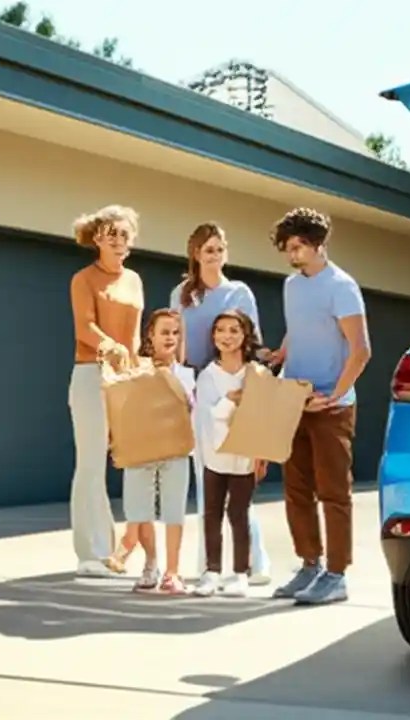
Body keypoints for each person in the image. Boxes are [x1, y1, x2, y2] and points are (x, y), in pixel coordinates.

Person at [267, 208, 371, 606]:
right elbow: (299, 325)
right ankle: (309, 564)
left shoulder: (341, 286)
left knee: (333, 491)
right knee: (295, 490)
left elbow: (361, 350)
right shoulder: (292, 285)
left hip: (332, 405)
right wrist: (282, 352)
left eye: (299, 247)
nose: (293, 255)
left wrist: (336, 393)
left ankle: (336, 574)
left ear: (319, 243)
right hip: (294, 398)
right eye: (288, 248)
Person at [170, 222, 272, 584]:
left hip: (236, 385)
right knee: (208, 479)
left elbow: (253, 342)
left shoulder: (239, 292)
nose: (214, 255)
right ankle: (208, 565)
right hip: (200, 388)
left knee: (241, 477)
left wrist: (254, 390)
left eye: (219, 249)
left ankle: (255, 563)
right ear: (196, 254)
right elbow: (177, 345)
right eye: (207, 249)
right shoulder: (182, 294)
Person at [67, 204, 144, 577]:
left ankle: (113, 551)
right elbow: (84, 328)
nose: (118, 240)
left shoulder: (134, 280)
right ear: (96, 238)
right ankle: (89, 554)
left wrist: (140, 369)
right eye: (111, 234)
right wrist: (109, 348)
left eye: (124, 234)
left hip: (125, 378)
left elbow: (134, 337)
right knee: (91, 464)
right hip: (90, 375)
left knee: (128, 461)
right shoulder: (83, 279)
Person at [193, 309, 269, 598]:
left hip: (245, 457)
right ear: (213, 336)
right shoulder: (208, 376)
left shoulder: (257, 374)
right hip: (214, 456)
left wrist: (261, 455)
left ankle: (240, 574)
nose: (227, 336)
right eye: (220, 330)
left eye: (234, 330)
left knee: (239, 513)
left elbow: (263, 417)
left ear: (245, 335)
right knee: (211, 513)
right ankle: (211, 572)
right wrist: (230, 400)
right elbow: (206, 416)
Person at [119, 309, 195, 594]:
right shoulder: (135, 371)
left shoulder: (187, 375)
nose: (171, 338)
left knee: (174, 512)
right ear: (150, 334)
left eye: (176, 333)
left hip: (176, 453)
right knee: (140, 511)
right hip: (142, 453)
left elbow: (192, 415)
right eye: (165, 332)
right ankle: (151, 563)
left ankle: (173, 572)